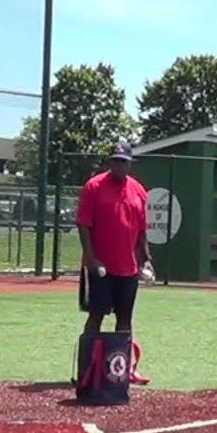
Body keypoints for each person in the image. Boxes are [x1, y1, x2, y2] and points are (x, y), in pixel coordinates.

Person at [75, 140, 154, 384]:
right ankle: (86, 371)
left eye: (124, 162)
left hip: (128, 268)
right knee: (97, 315)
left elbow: (141, 232)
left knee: (125, 319)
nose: (119, 165)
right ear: (110, 162)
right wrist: (91, 259)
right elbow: (83, 225)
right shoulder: (94, 186)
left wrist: (146, 261)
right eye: (116, 161)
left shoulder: (138, 191)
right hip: (100, 268)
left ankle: (124, 370)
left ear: (130, 164)